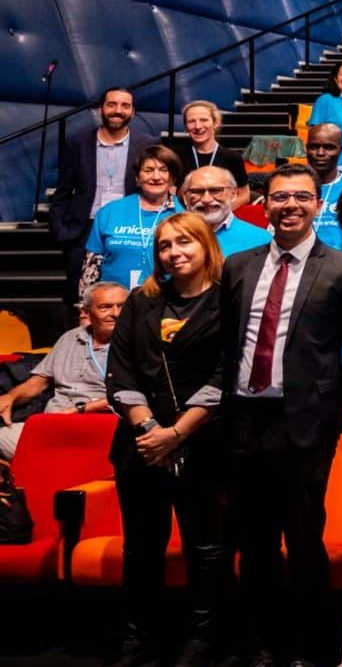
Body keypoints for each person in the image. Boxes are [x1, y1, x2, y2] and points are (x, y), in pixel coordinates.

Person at [216, 163, 342, 667]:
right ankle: (259, 642)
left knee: (304, 536)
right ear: (264, 203)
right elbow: (224, 343)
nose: (290, 207)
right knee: (253, 539)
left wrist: (334, 412)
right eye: (281, 197)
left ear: (318, 205)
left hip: (305, 421)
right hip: (243, 419)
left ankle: (307, 646)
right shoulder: (237, 265)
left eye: (302, 197)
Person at [105, 213, 230, 667]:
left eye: (184, 242)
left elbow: (226, 376)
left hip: (204, 444)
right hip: (139, 446)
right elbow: (119, 370)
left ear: (206, 246)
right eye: (164, 245)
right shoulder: (142, 300)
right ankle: (139, 640)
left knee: (206, 547)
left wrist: (176, 433)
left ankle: (203, 639)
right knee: (140, 547)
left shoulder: (227, 301)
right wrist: (149, 430)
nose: (174, 252)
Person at [51, 88, 162, 305]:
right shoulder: (78, 143)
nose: (118, 111)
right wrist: (60, 229)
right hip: (83, 228)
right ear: (100, 109)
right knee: (79, 295)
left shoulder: (148, 144)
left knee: (125, 290)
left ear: (133, 111)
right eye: (112, 104)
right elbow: (62, 191)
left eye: (125, 106)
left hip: (128, 227)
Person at [0, 281, 123, 461]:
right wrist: (10, 397)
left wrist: (78, 410)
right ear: (86, 312)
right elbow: (38, 382)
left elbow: (132, 394)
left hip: (99, 426)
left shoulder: (136, 343)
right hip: (50, 424)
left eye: (122, 306)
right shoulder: (70, 338)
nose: (116, 313)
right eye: (105, 307)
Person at [83, 146, 184, 293]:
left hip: (167, 301)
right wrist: (86, 304)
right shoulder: (110, 211)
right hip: (114, 303)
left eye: (164, 170)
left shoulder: (185, 215)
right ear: (137, 178)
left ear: (172, 178)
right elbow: (91, 266)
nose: (156, 177)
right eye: (148, 170)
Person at [180, 166, 269, 257]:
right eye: (197, 191)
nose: (206, 199)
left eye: (216, 191)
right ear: (185, 198)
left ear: (233, 194)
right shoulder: (170, 236)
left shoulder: (261, 240)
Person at [174, 101, 249, 206]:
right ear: (186, 127)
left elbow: (244, 195)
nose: (198, 126)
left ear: (215, 123)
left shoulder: (232, 158)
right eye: (191, 121)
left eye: (204, 120)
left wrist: (218, 214)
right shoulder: (175, 157)